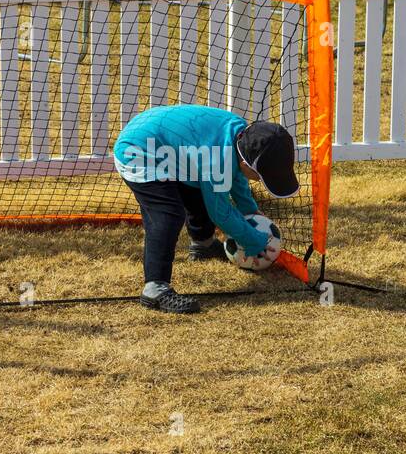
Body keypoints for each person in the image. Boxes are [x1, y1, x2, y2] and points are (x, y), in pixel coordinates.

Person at [113, 104, 300, 314]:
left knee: (199, 188)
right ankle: (155, 289)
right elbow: (220, 212)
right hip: (138, 152)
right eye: (260, 175)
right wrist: (254, 240)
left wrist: (250, 210)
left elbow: (236, 176)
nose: (259, 180)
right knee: (168, 215)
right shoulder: (217, 158)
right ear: (247, 164)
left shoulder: (240, 136)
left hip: (166, 146)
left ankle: (203, 245)